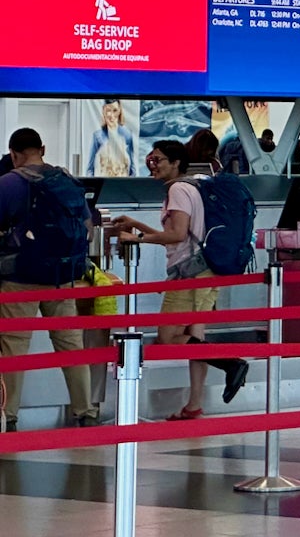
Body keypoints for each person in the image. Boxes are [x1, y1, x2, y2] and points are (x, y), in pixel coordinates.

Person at [107, 140, 248, 420]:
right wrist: (137, 226)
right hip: (204, 270)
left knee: (169, 337)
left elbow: (178, 235)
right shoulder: (190, 188)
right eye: (152, 159)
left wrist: (136, 238)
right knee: (196, 338)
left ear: (175, 163)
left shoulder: (177, 190)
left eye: (159, 160)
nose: (154, 165)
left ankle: (232, 364)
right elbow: (176, 236)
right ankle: (194, 404)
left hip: (189, 273)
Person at [0, 128, 97, 430]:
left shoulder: (8, 183)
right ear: (42, 148)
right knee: (70, 343)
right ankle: (86, 411)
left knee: (14, 346)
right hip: (61, 277)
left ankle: (9, 415)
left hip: (20, 276)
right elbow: (88, 227)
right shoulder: (65, 180)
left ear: (13, 152)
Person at [85, 98, 136, 177]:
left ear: (119, 111)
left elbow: (132, 168)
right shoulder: (98, 136)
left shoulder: (127, 134)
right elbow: (90, 169)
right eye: (108, 110)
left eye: (115, 110)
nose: (112, 115)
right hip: (103, 184)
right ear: (104, 111)